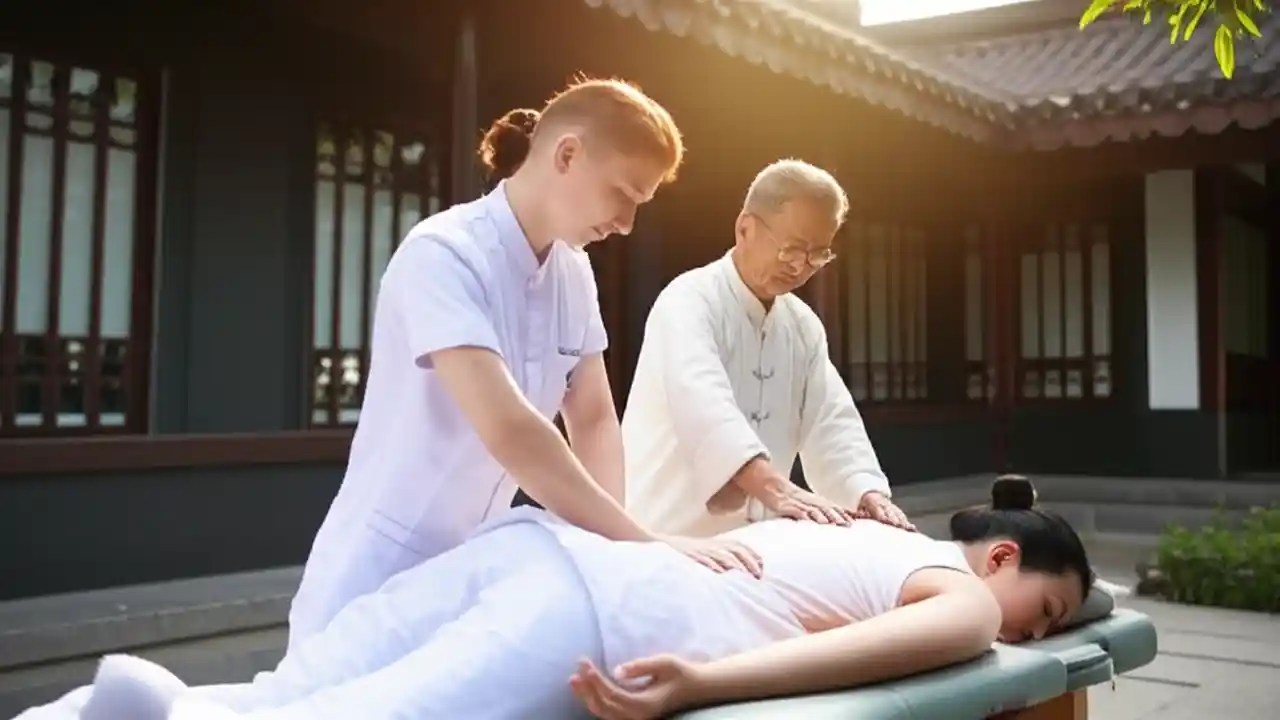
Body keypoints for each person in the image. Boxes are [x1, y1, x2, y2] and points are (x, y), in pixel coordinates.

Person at [285, 77, 761, 652]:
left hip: (472, 578)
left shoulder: (573, 272)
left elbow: (592, 418)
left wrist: (612, 555)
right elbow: (511, 429)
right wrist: (644, 543)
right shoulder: (443, 254)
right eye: (623, 195)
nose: (628, 224)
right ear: (567, 154)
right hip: (374, 574)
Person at [38, 477, 1091, 720]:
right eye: (1040, 612)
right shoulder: (953, 594)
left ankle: (95, 709)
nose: (1023, 636)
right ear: (997, 558)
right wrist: (699, 683)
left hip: (538, 548)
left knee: (284, 690)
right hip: (600, 616)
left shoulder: (851, 532)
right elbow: (901, 648)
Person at [623, 158, 912, 538]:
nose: (800, 267)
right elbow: (703, 403)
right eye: (792, 248)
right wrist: (775, 487)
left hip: (757, 546)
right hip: (666, 536)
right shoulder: (688, 300)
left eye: (818, 254)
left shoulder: (802, 325)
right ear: (745, 228)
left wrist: (865, 490)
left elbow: (831, 419)